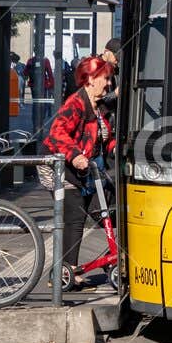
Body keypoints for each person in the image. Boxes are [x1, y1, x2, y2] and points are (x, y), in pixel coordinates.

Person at [44, 55, 118, 284]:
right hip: (63, 168)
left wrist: (118, 149)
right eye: (105, 79)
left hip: (90, 170)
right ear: (90, 80)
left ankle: (111, 260)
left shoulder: (98, 106)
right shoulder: (75, 104)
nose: (108, 83)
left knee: (112, 210)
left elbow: (104, 140)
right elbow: (56, 134)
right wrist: (75, 156)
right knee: (75, 215)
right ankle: (64, 275)